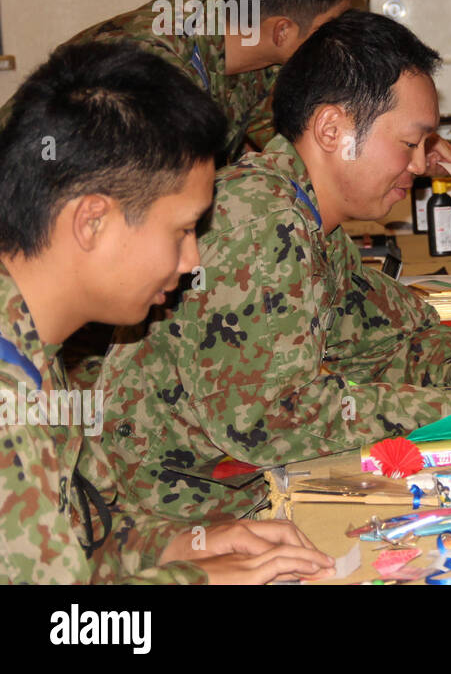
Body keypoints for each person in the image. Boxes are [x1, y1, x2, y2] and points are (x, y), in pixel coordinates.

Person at [95, 11, 451, 521]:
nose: (419, 166)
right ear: (333, 129)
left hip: (226, 493)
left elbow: (396, 333)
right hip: (163, 519)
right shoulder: (261, 222)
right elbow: (269, 421)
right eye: (408, 144)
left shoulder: (306, 217)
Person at [0, 42, 334, 583]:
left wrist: (191, 543)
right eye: (182, 230)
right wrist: (203, 580)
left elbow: (88, 536)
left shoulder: (36, 349)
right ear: (92, 222)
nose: (192, 260)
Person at [0, 0, 369, 162]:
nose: (337, 38)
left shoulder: (247, 34)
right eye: (330, 25)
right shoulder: (153, 69)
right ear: (283, 30)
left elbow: (294, 145)